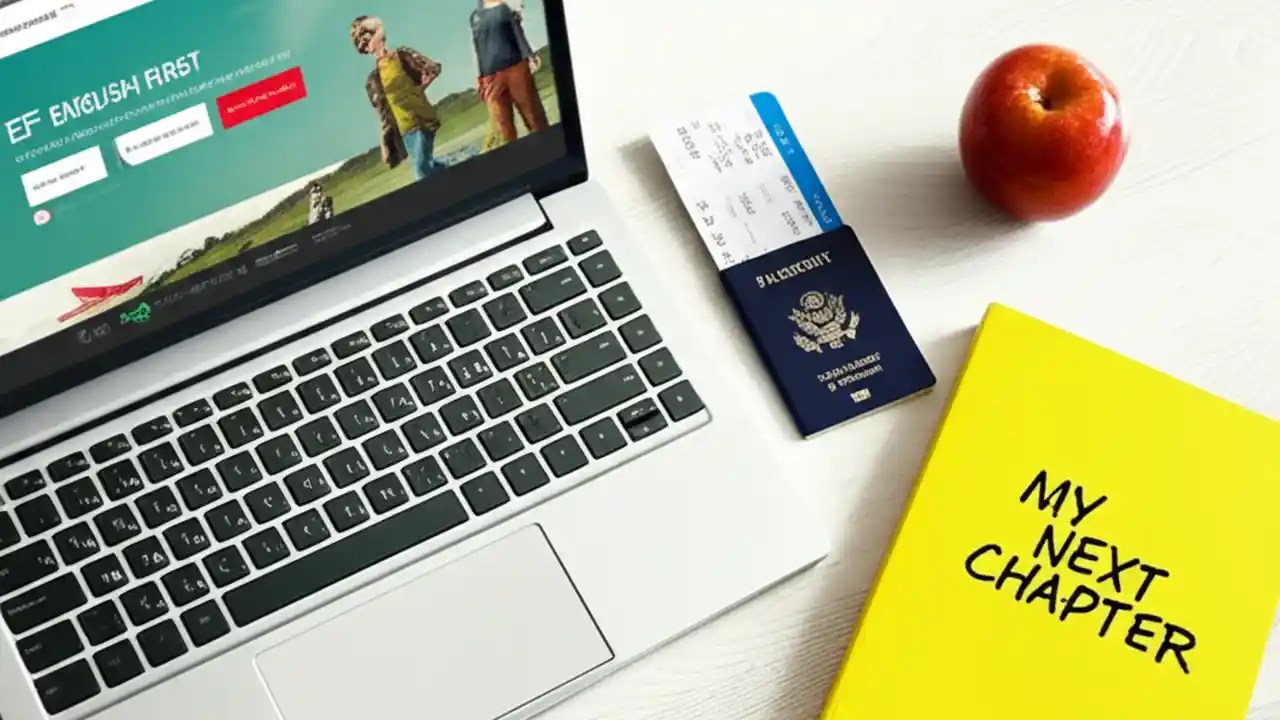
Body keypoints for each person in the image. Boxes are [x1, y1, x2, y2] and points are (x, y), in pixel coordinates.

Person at [350, 15, 445, 180]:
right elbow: (383, 116)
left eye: (368, 38)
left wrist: (416, 90)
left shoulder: (402, 55)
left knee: (421, 170)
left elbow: (432, 69)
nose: (367, 44)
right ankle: (452, 171)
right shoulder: (373, 80)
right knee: (424, 165)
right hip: (405, 130)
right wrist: (384, 145)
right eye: (363, 43)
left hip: (423, 119)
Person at [471, 0, 548, 147]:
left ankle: (547, 149)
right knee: (502, 128)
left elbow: (517, 31)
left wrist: (529, 54)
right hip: (490, 76)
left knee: (533, 116)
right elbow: (477, 48)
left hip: (515, 67)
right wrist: (479, 77)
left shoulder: (505, 8)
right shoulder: (475, 16)